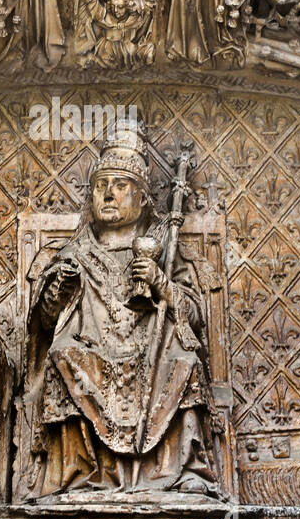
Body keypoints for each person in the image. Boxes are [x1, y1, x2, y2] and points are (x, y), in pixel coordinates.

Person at [24, 121, 217, 497]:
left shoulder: (165, 248)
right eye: (100, 186)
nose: (108, 194)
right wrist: (55, 296)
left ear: (143, 198)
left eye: (119, 185)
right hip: (92, 353)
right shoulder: (75, 254)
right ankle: (81, 473)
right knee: (64, 356)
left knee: (185, 363)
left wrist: (162, 284)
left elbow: (194, 314)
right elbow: (45, 326)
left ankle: (183, 468)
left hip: (152, 354)